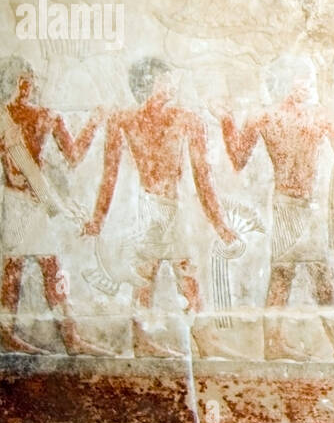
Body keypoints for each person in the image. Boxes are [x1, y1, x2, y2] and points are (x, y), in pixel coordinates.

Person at [213, 57, 334, 360]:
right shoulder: (265, 117)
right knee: (292, 274)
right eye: (305, 78)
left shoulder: (319, 117)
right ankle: (305, 343)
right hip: (288, 204)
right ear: (289, 81)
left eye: (311, 78)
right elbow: (237, 158)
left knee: (306, 275)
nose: (311, 85)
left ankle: (328, 344)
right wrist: (225, 120)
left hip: (306, 207)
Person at [83, 57, 238, 357]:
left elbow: (203, 177)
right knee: (152, 271)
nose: (173, 84)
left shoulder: (187, 119)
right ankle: (150, 338)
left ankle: (199, 337)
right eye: (167, 79)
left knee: (175, 270)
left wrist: (219, 223)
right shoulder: (124, 120)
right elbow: (109, 175)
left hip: (169, 207)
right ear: (151, 84)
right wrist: (97, 219)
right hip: (152, 206)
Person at [0, 56, 109, 355]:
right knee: (13, 269)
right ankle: (9, 335)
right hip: (14, 200)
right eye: (24, 79)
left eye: (31, 79)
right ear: (13, 82)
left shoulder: (46, 116)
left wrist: (93, 123)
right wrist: (0, 144)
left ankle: (71, 337)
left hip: (39, 200)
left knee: (51, 267)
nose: (31, 85)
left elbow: (74, 154)